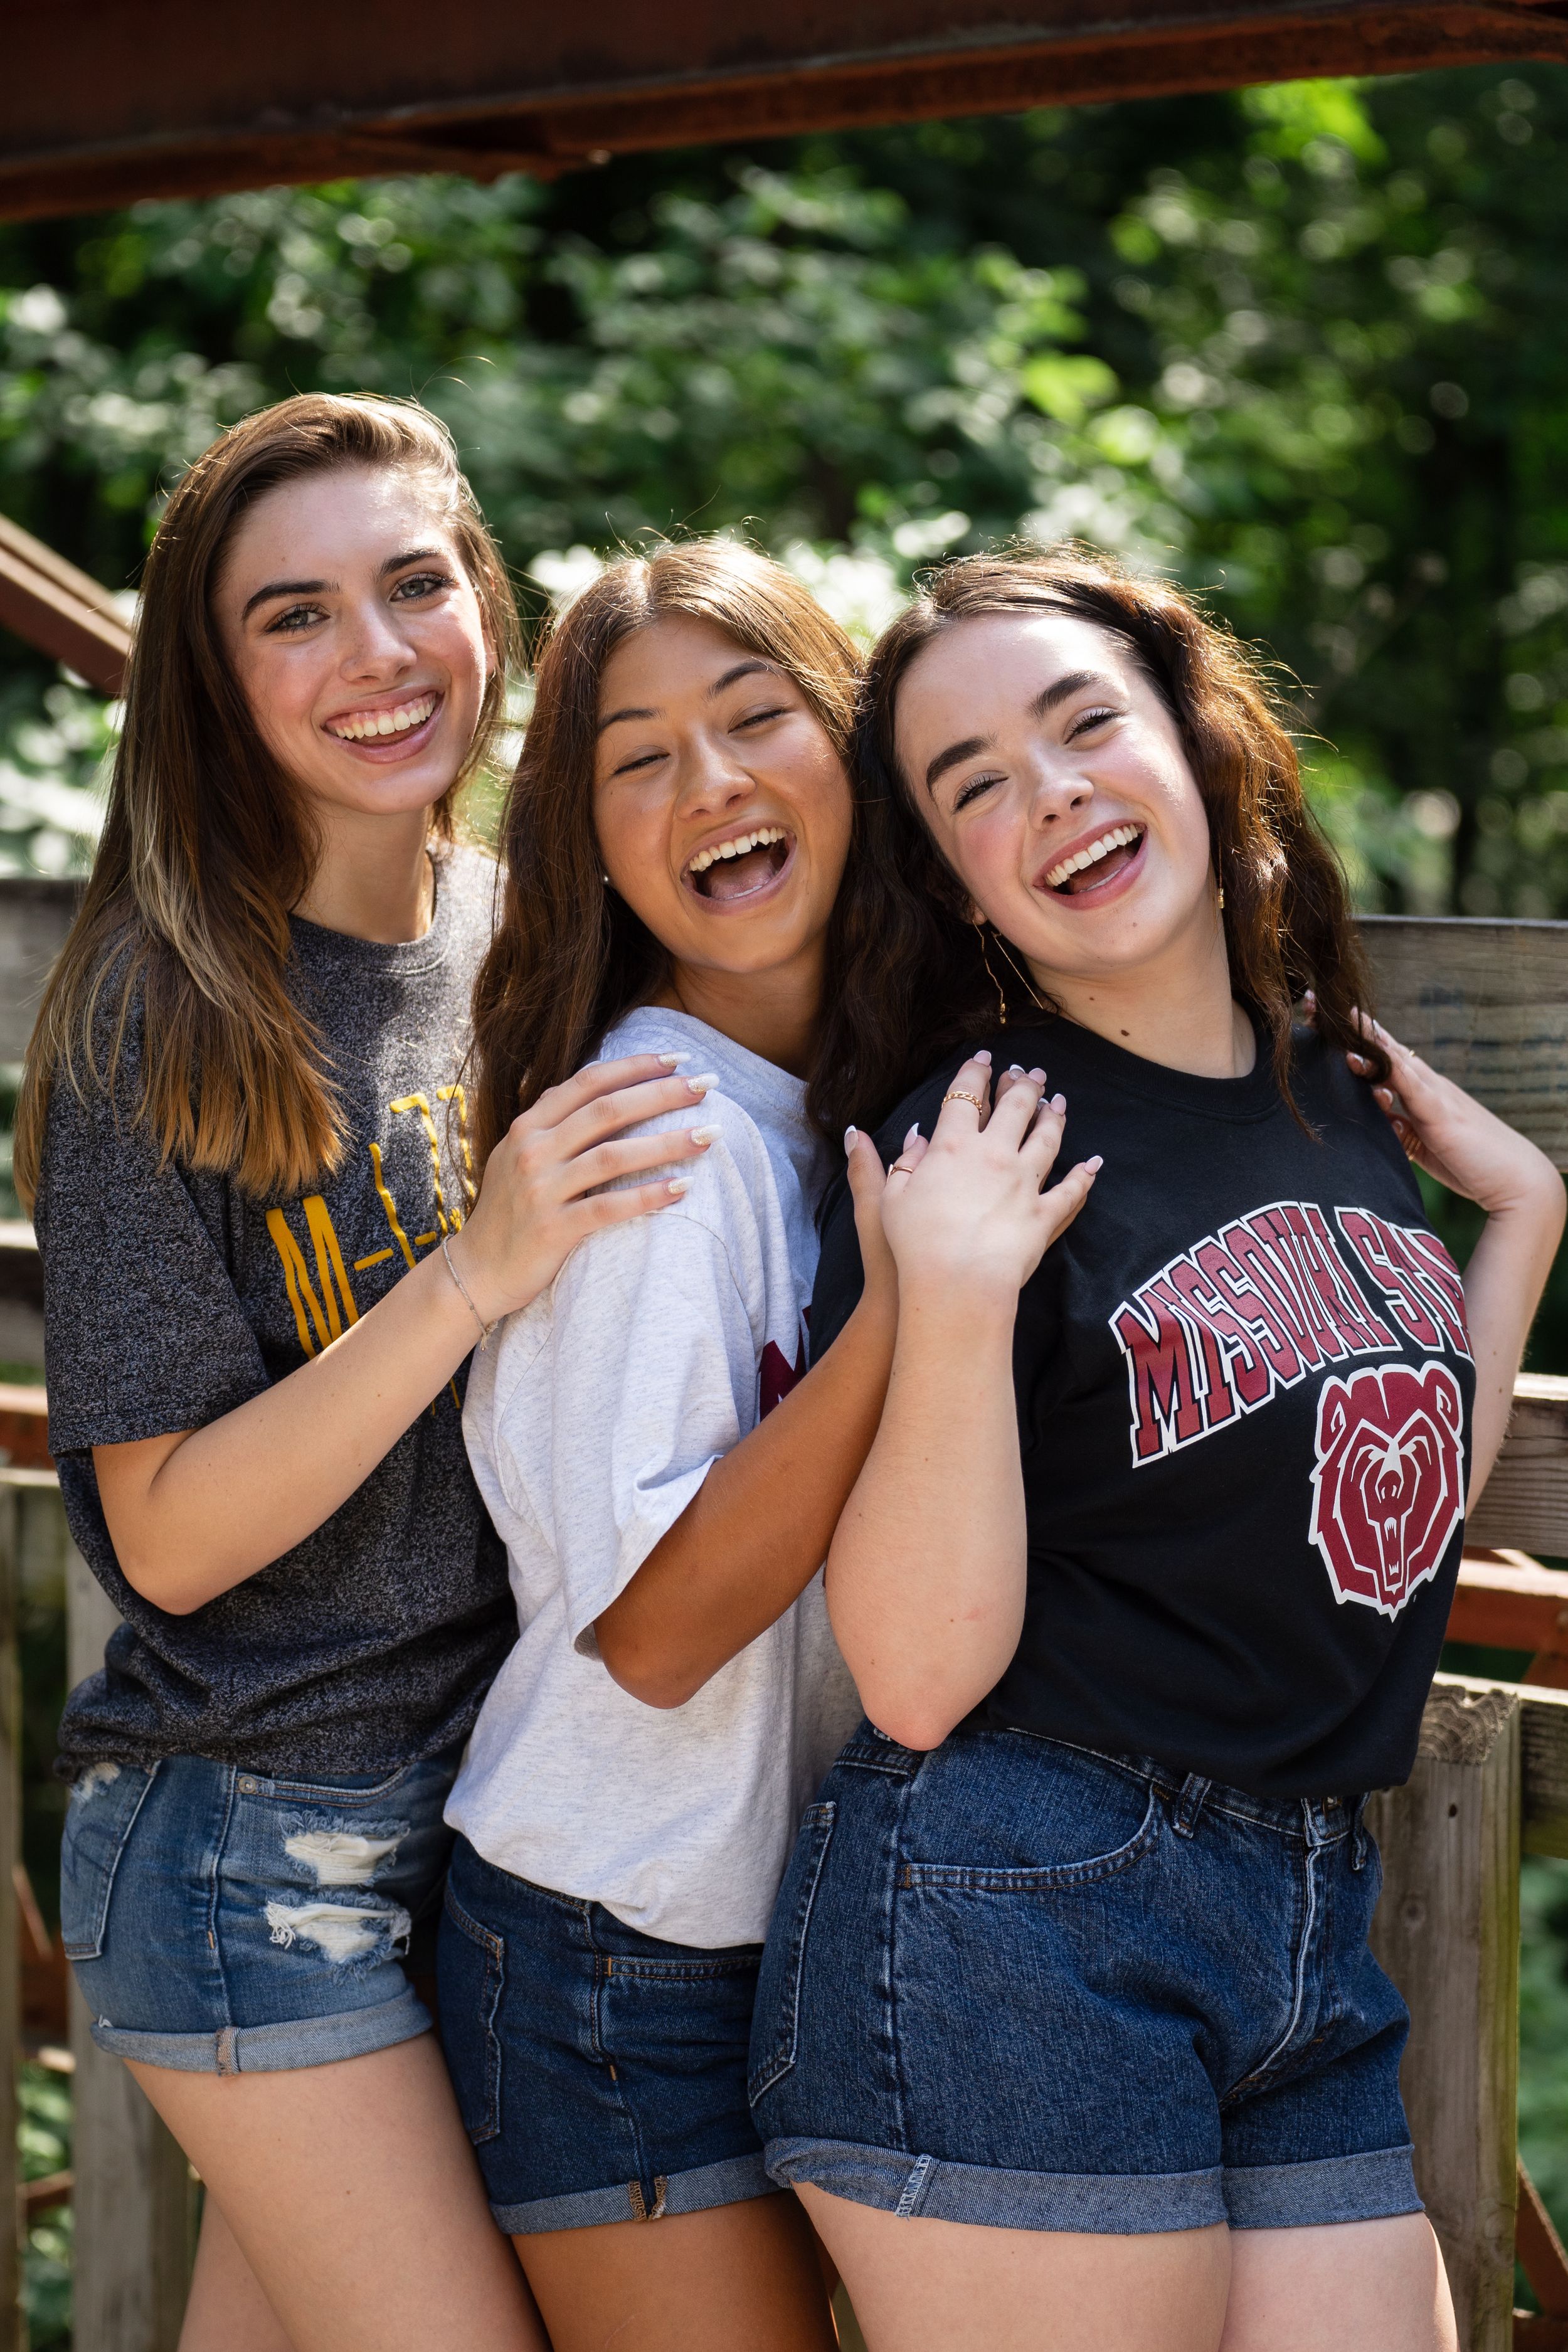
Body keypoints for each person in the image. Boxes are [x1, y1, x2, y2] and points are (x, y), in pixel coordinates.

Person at [750, 549, 1566, 2352]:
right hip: (1013, 1907)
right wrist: (950, 1302)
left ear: (1200, 755)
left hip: (1296, 1909)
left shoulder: (1322, 1091)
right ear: (953, 879)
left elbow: (1390, 1498)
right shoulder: (972, 1132)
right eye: (971, 785)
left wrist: (1513, 1211)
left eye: (1082, 725)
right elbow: (907, 1669)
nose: (1046, 795)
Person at [14, 393, 713, 2352]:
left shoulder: (532, 944)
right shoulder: (159, 1011)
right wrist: (471, 1277)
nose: (377, 654)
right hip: (254, 1836)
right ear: (214, 684)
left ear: (488, 605)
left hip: (494, 1820)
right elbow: (161, 1540)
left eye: (414, 584)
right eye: (293, 616)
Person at [438, 539, 941, 2352]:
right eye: (634, 757)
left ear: (851, 755)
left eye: (752, 719)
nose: (708, 784)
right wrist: (907, 1313)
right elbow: (650, 1640)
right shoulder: (655, 1145)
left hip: (782, 1934)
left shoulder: (836, 1105)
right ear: (580, 838)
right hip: (610, 1949)